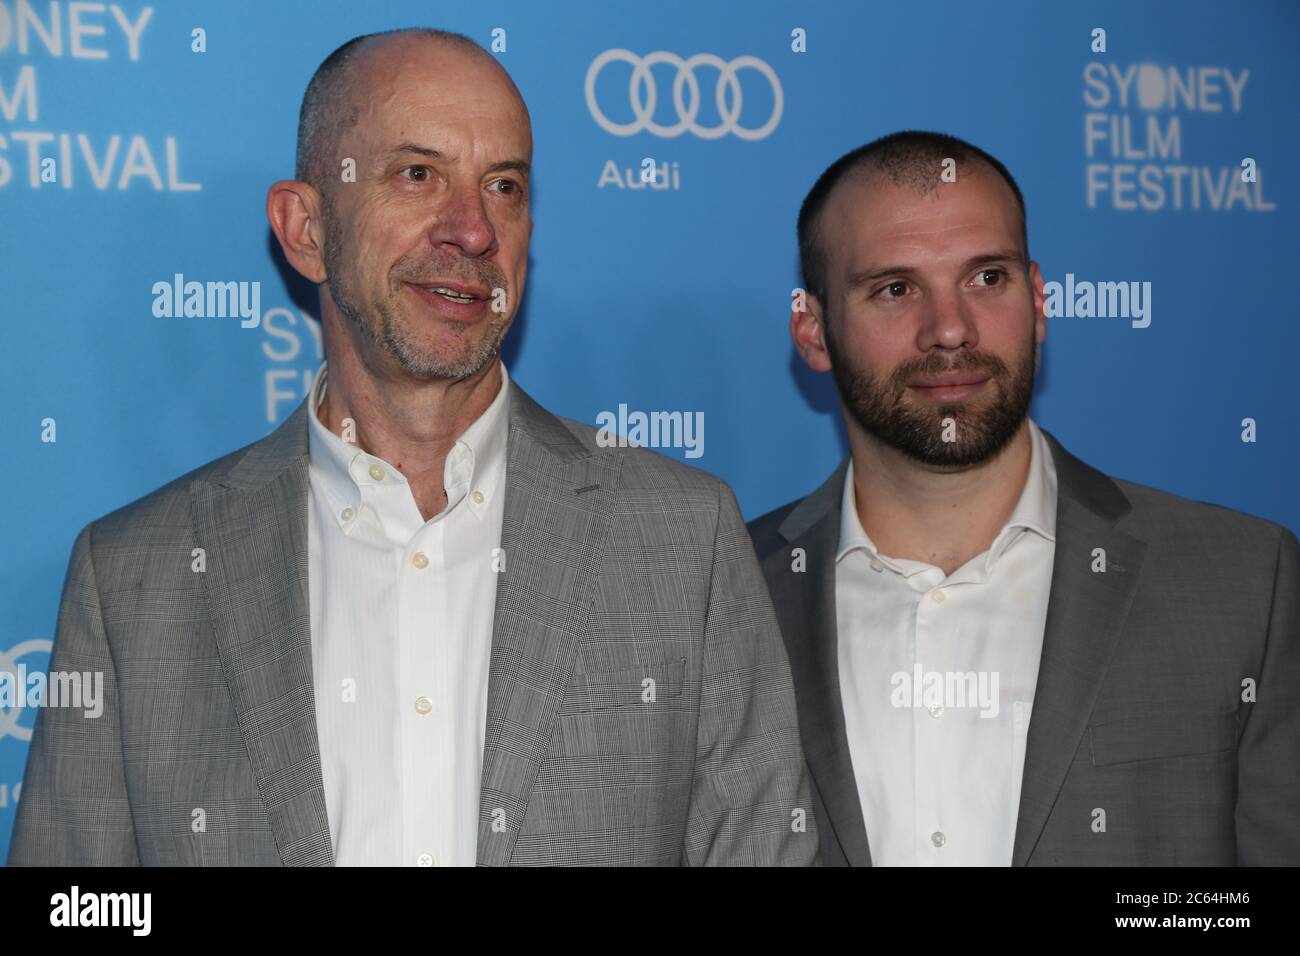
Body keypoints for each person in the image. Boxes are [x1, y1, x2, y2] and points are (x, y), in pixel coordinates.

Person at [10, 28, 816, 867]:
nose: (472, 230)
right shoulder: (138, 576)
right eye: (417, 175)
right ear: (306, 229)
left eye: (503, 186)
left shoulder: (682, 538)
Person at [748, 130, 1299, 866]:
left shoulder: (1243, 581)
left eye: (986, 279)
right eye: (895, 289)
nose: (950, 330)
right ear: (813, 331)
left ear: (1039, 301)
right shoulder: (727, 589)